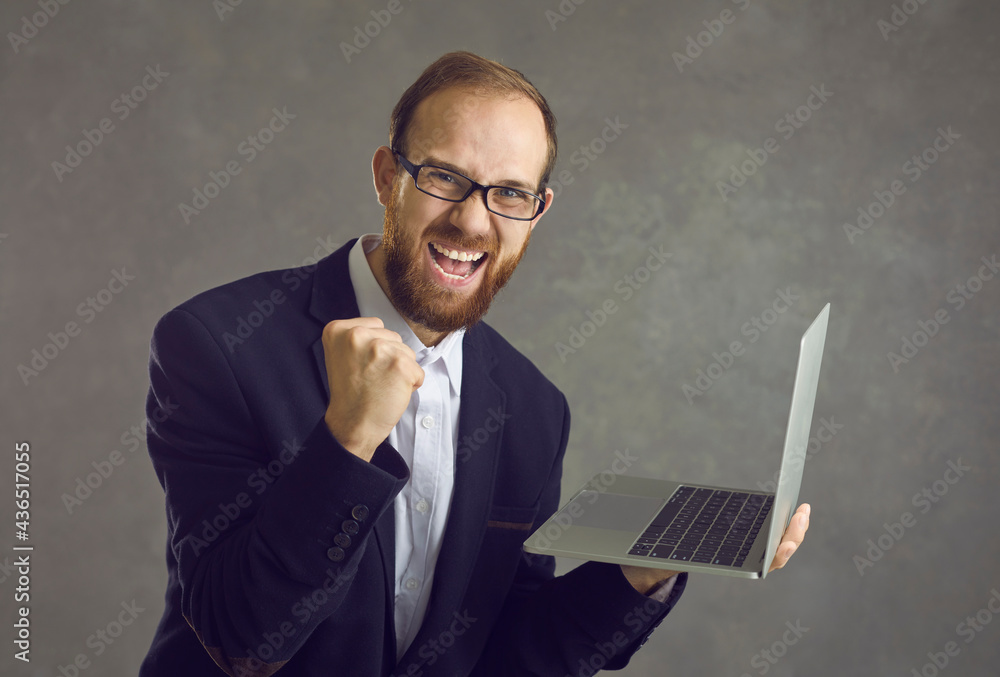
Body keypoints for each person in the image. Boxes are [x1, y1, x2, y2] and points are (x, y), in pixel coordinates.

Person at [139, 51, 810, 677]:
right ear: (386, 177)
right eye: (444, 177)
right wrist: (347, 439)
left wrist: (639, 572)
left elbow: (504, 652)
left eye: (510, 193)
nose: (472, 220)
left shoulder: (532, 408)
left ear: (537, 211)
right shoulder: (216, 344)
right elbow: (240, 635)